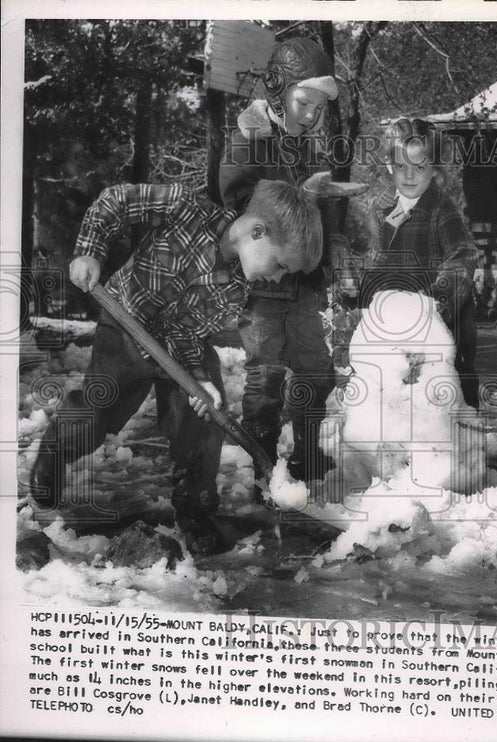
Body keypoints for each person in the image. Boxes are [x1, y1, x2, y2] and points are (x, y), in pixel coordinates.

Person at [29, 179, 323, 554]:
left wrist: (199, 381)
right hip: (124, 324)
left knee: (202, 420)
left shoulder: (237, 287)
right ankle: (56, 449)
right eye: (281, 265)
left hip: (178, 344)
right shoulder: (185, 207)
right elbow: (117, 200)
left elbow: (186, 333)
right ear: (257, 231)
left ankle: (195, 513)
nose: (279, 278)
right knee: (97, 412)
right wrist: (90, 252)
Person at [219, 36, 352, 494]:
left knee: (316, 369)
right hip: (261, 287)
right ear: (278, 90)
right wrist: (296, 200)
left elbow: (319, 220)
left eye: (318, 106)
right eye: (303, 101)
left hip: (305, 285)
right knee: (266, 378)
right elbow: (235, 207)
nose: (312, 114)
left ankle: (308, 456)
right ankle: (263, 469)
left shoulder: (307, 150)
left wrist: (332, 251)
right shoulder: (247, 141)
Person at [361, 118, 480, 409]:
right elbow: (377, 259)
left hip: (444, 315)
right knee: (398, 383)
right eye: (402, 167)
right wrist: (364, 299)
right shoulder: (382, 206)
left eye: (420, 167)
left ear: (434, 169)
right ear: (390, 166)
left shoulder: (440, 207)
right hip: (400, 317)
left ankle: (463, 437)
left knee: (450, 380)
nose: (410, 176)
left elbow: (463, 255)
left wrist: (437, 301)